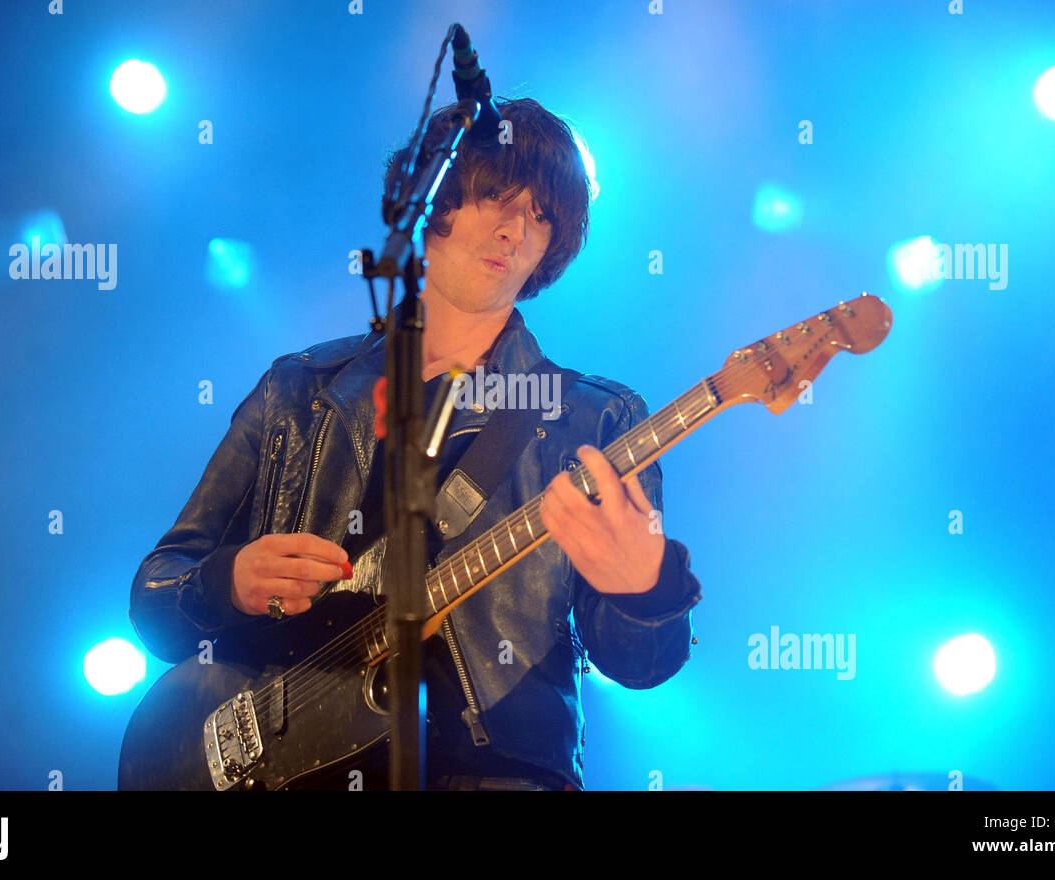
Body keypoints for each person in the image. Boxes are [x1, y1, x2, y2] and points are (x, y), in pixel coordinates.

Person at [129, 97, 703, 791]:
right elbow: (157, 592)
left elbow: (640, 666)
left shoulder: (591, 420)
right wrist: (229, 579)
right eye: (496, 195)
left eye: (543, 215)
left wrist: (647, 589)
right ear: (434, 204)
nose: (516, 228)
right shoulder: (297, 391)